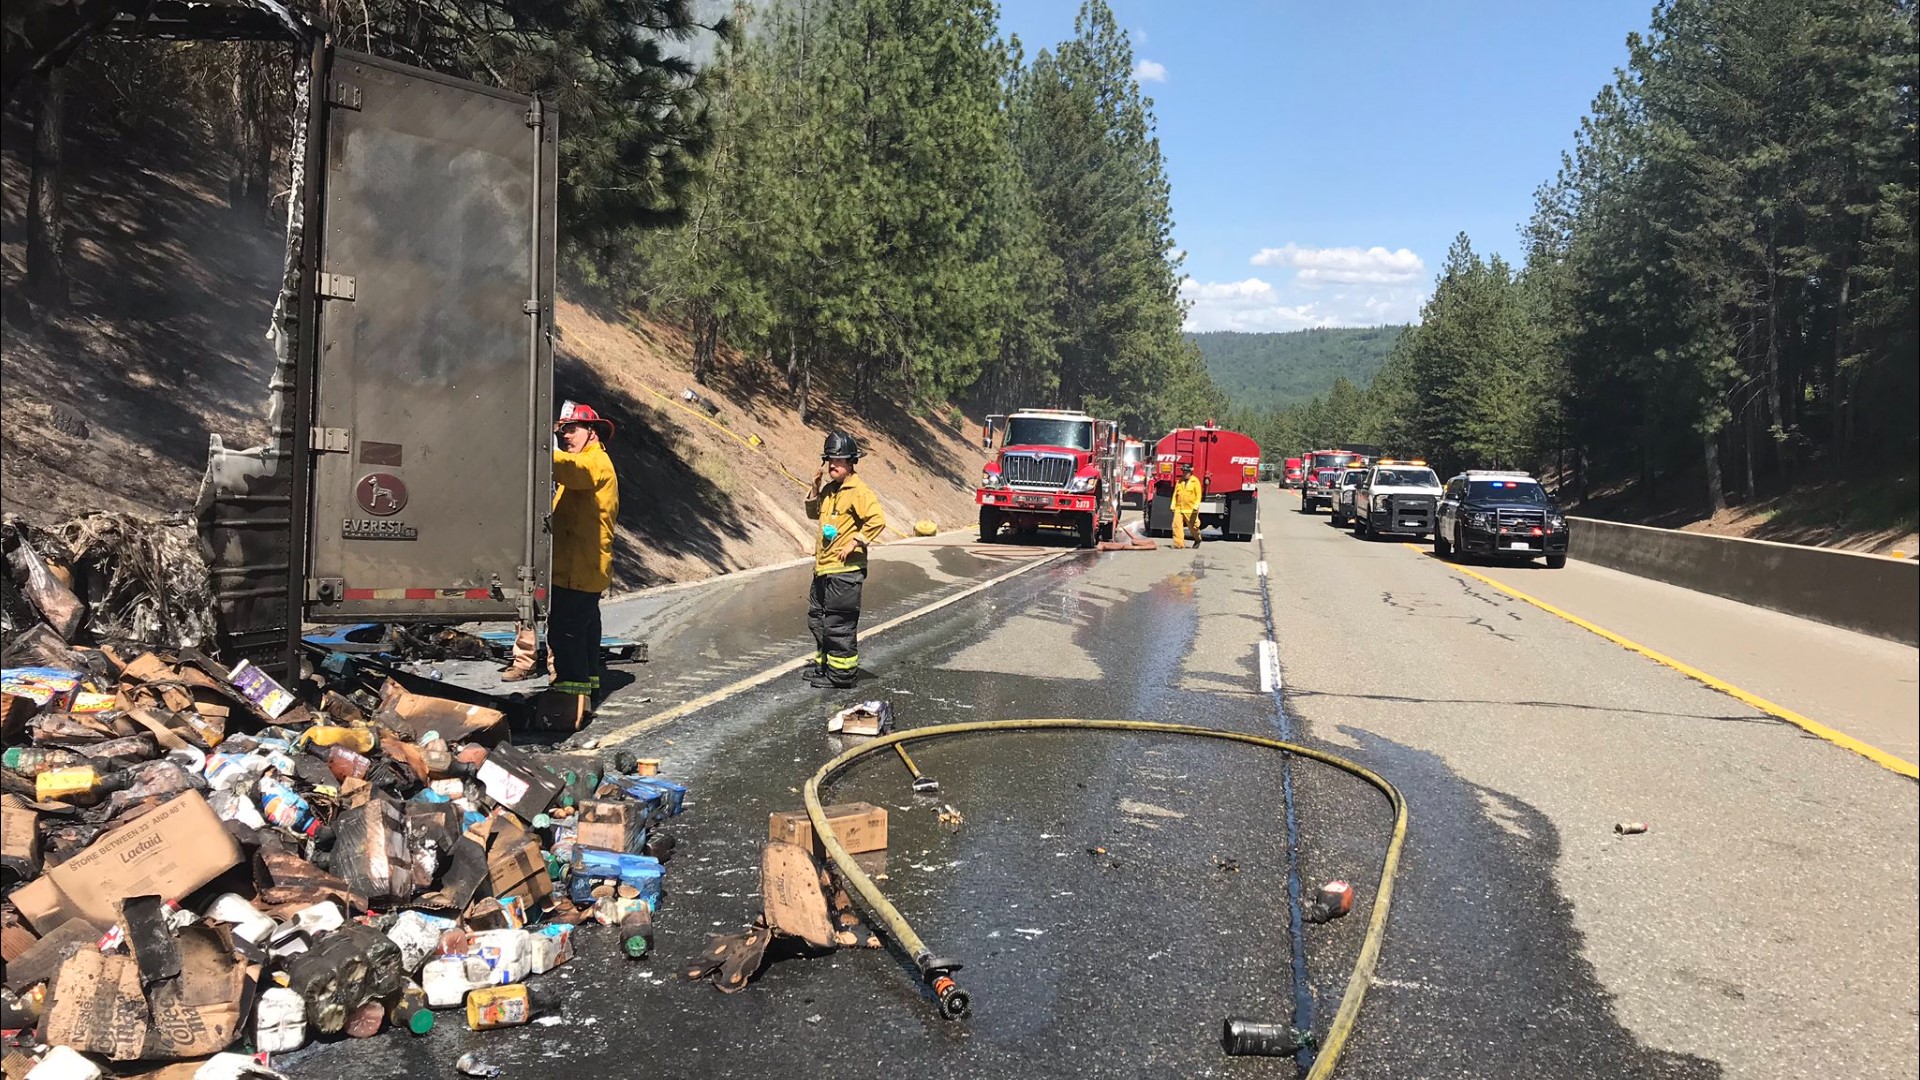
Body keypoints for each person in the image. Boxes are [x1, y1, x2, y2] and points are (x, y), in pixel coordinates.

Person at [535, 402, 620, 730]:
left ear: (592, 432)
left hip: (578, 571)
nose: (565, 436)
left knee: (565, 633)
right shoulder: (590, 464)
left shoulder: (594, 463)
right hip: (583, 569)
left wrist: (537, 448)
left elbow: (568, 468)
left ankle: (569, 703)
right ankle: (588, 689)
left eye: (572, 429)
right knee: (584, 631)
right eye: (562, 431)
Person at [802, 432, 887, 689]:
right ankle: (825, 666)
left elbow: (877, 520)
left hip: (845, 572)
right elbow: (813, 514)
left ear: (851, 462)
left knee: (838, 623)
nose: (832, 465)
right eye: (830, 460)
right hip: (824, 568)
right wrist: (815, 488)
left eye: (838, 460)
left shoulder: (859, 491)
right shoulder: (830, 490)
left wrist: (855, 542)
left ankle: (842, 675)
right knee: (818, 619)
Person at [1172, 462, 1204, 549]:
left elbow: (1198, 494)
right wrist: (1173, 504)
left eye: (1187, 472)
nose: (1185, 474)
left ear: (1190, 472)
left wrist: (1196, 505)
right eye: (1184, 472)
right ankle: (1178, 544)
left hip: (1190, 509)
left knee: (1193, 526)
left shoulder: (1195, 481)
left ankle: (1197, 538)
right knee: (1176, 525)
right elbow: (1175, 494)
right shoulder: (1179, 482)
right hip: (1179, 508)